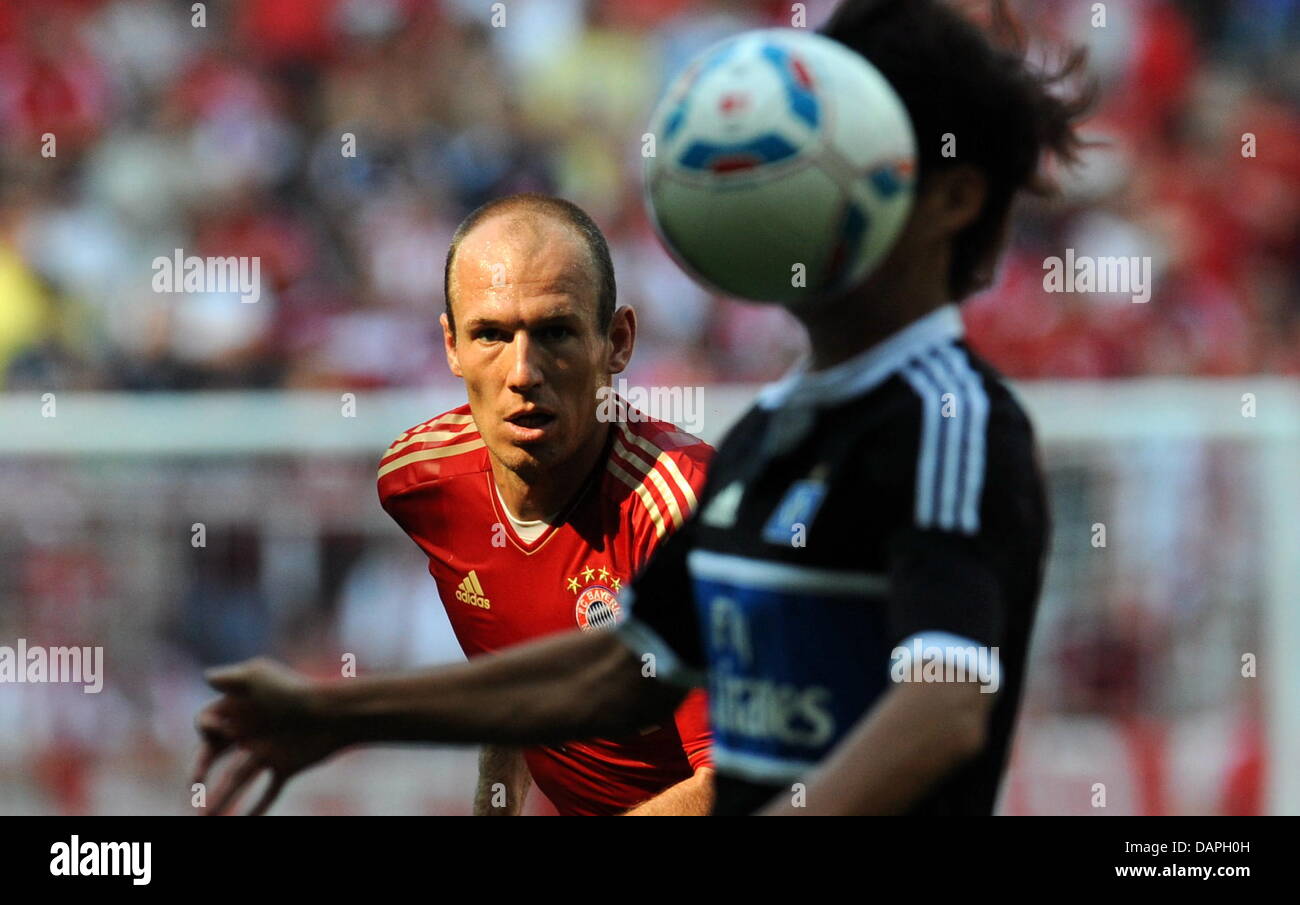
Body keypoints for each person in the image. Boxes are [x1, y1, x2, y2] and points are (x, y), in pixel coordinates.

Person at [194, 0, 1089, 816]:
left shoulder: (948, 420)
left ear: (948, 198)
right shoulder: (775, 435)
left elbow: (942, 707)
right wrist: (332, 712)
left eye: (830, 144)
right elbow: (628, 666)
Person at [204, 194, 716, 816]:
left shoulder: (686, 511)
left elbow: (736, 785)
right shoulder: (422, 483)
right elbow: (514, 674)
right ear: (451, 346)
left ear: (618, 342)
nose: (523, 371)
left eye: (554, 331)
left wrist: (334, 715)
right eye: (491, 334)